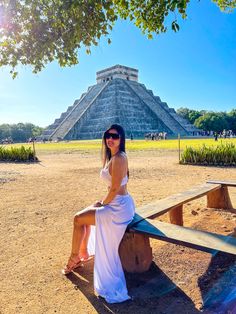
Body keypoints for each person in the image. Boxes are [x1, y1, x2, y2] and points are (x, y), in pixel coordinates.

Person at [62, 124, 135, 303]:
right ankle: (82, 253)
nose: (110, 139)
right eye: (107, 135)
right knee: (84, 216)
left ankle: (74, 258)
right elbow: (116, 187)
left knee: (78, 219)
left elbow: (116, 188)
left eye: (114, 136)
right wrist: (101, 203)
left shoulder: (119, 158)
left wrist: (103, 204)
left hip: (117, 209)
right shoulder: (116, 156)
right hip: (120, 204)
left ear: (121, 138)